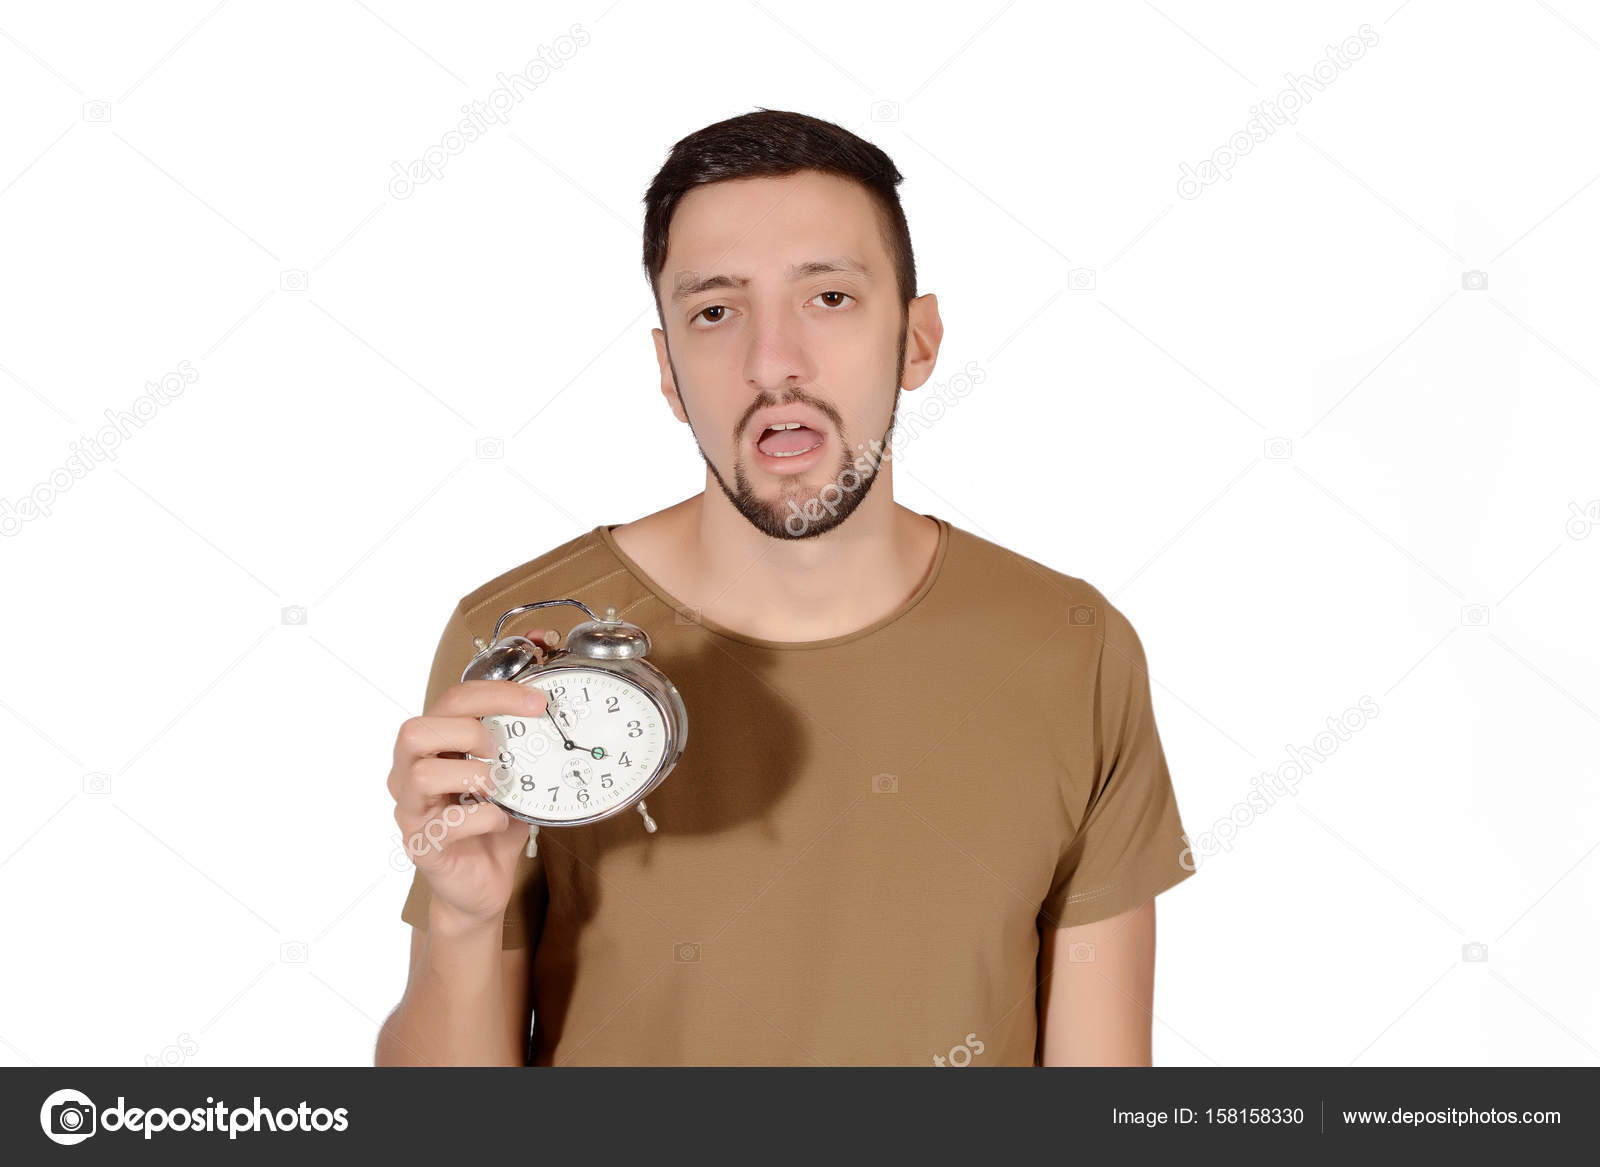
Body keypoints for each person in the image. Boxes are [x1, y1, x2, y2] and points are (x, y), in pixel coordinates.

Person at [375, 109, 1194, 1067]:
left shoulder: (1072, 646)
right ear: (670, 374)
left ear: (918, 341)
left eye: (830, 298)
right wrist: (468, 924)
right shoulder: (520, 653)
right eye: (715, 311)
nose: (774, 361)